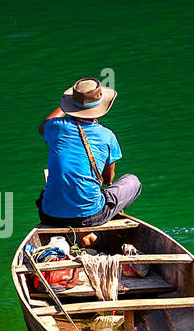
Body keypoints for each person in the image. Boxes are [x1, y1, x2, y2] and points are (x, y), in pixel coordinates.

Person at [36, 78, 142, 234]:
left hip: (49, 215)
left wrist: (66, 106)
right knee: (133, 181)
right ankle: (97, 228)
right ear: (99, 107)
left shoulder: (54, 128)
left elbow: (43, 125)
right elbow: (107, 180)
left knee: (49, 190)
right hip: (92, 216)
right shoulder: (107, 136)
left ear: (71, 106)